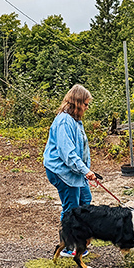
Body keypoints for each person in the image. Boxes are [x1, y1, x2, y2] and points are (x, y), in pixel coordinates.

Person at [43, 84, 97, 257]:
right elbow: (68, 154)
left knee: (85, 199)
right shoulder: (64, 121)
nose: (87, 108)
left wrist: (85, 170)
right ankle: (68, 247)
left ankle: (78, 238)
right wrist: (85, 171)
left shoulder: (75, 120)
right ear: (77, 102)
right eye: (86, 104)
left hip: (74, 170)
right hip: (61, 170)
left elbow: (81, 149)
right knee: (71, 208)